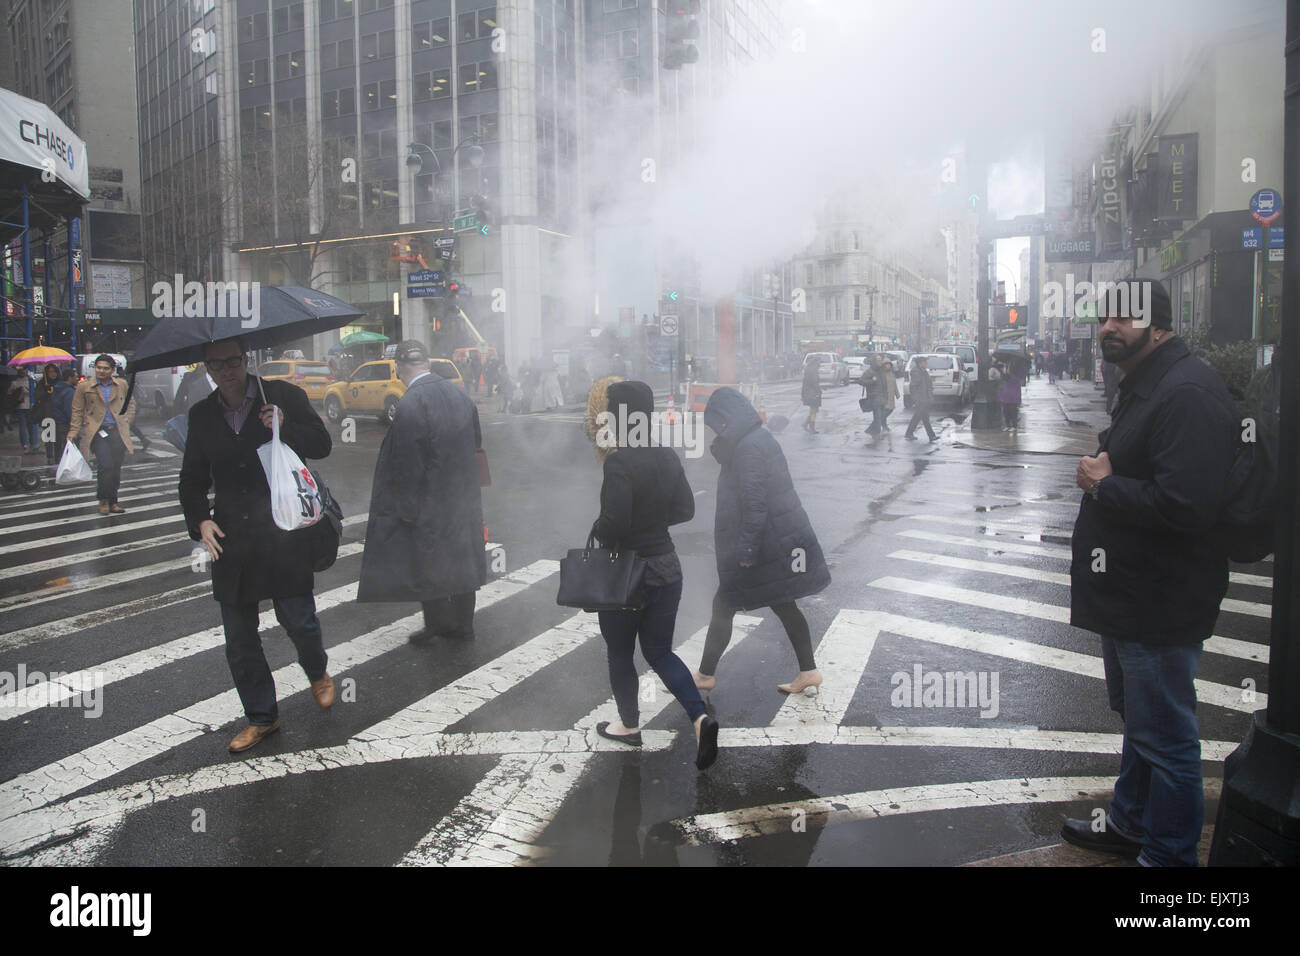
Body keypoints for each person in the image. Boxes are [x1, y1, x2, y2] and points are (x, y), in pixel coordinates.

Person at [1061, 280, 1237, 867]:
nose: (1108, 328)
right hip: (1133, 593)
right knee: (1143, 724)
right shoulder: (1148, 382)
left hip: (1159, 601)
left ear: (1158, 326)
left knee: (1167, 740)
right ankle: (1131, 822)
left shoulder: (1185, 392)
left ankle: (1168, 861)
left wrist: (1105, 485)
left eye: (1124, 319)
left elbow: (1187, 507)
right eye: (1103, 318)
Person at [178, 337, 335, 753]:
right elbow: (192, 478)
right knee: (240, 640)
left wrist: (286, 424)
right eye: (217, 364)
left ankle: (317, 670)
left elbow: (322, 444)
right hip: (232, 540)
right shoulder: (202, 415)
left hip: (282, 531)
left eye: (233, 361)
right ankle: (262, 717)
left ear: (246, 360)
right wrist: (200, 520)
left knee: (299, 621)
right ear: (207, 369)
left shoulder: (282, 395)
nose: (227, 370)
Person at [583, 377, 719, 770]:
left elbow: (615, 523)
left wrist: (599, 526)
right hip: (666, 568)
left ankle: (629, 726)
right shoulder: (666, 455)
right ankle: (698, 718)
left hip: (626, 574)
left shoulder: (619, 461)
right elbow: (685, 511)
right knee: (659, 651)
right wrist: (654, 520)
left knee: (621, 652)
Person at [694, 387, 831, 696]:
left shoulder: (748, 448)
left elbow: (756, 504)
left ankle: (705, 675)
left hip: (763, 545)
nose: (714, 430)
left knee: (726, 604)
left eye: (716, 423)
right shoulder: (756, 438)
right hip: (774, 541)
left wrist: (746, 550)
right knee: (781, 603)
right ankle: (808, 670)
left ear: (726, 418)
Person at [357, 340, 486, 642]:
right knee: (462, 557)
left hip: (431, 501)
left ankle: (438, 625)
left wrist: (406, 509)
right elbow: (476, 443)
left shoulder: (411, 401)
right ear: (427, 363)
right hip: (464, 496)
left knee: (431, 561)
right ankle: (464, 626)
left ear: (399, 368)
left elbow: (408, 462)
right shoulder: (459, 394)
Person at [67, 355, 135, 514]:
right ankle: (103, 499)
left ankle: (113, 501)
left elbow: (130, 403)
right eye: (98, 367)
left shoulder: (122, 384)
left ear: (112, 370)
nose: (101, 371)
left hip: (117, 431)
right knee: (106, 466)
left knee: (116, 468)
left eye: (105, 368)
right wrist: (73, 432)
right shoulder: (84, 386)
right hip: (97, 432)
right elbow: (77, 411)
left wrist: (127, 420)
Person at [30, 363, 70, 465]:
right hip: (46, 415)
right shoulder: (42, 383)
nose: (52, 374)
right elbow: (37, 397)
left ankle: (58, 457)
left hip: (58, 415)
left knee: (58, 438)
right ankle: (49, 457)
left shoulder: (60, 383)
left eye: (54, 371)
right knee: (49, 438)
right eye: (50, 372)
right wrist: (46, 392)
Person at [903, 357, 938, 442]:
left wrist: (929, 397)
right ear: (920, 363)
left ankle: (911, 433)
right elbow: (913, 387)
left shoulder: (923, 372)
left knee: (921, 417)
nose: (926, 364)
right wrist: (916, 399)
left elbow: (927, 385)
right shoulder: (917, 372)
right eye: (925, 362)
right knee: (921, 417)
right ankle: (930, 435)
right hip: (921, 399)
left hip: (925, 398)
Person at [998, 359, 1024, 430]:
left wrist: (1009, 374)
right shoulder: (1005, 369)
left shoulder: (1016, 372)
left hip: (1013, 396)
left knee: (1013, 410)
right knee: (1006, 411)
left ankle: (1014, 425)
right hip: (1006, 395)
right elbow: (1003, 380)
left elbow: (1016, 380)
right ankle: (1007, 425)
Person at [801, 357, 822, 433]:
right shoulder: (813, 371)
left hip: (808, 393)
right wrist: (819, 391)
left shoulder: (808, 369)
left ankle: (805, 424)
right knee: (814, 410)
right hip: (813, 394)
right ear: (816, 363)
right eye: (819, 362)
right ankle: (811, 428)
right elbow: (814, 383)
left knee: (813, 410)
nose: (820, 364)